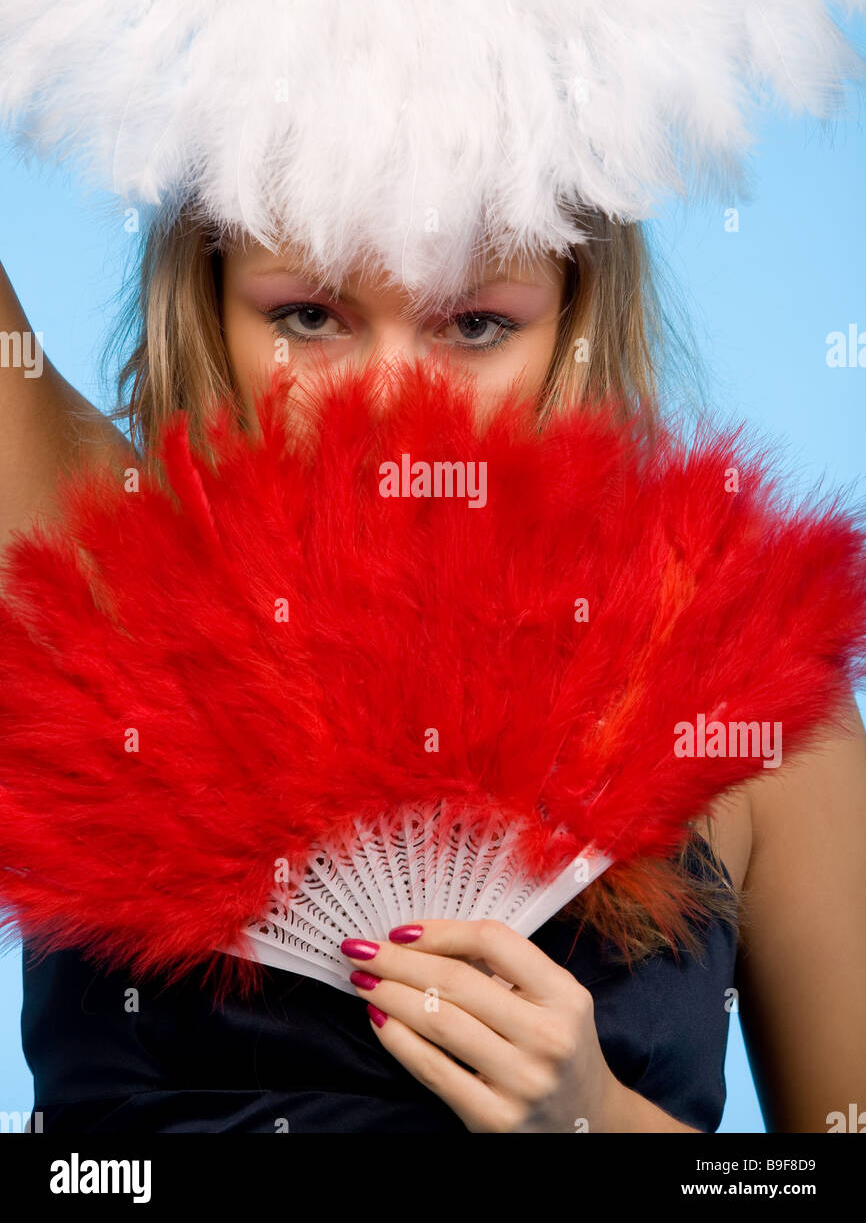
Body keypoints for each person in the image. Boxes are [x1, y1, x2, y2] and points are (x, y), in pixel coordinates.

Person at [2, 205, 864, 1134]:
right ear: (206, 303)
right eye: (308, 317)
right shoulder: (91, 571)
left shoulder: (741, 699)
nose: (386, 402)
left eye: (476, 325)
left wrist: (601, 1119)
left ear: (574, 325)